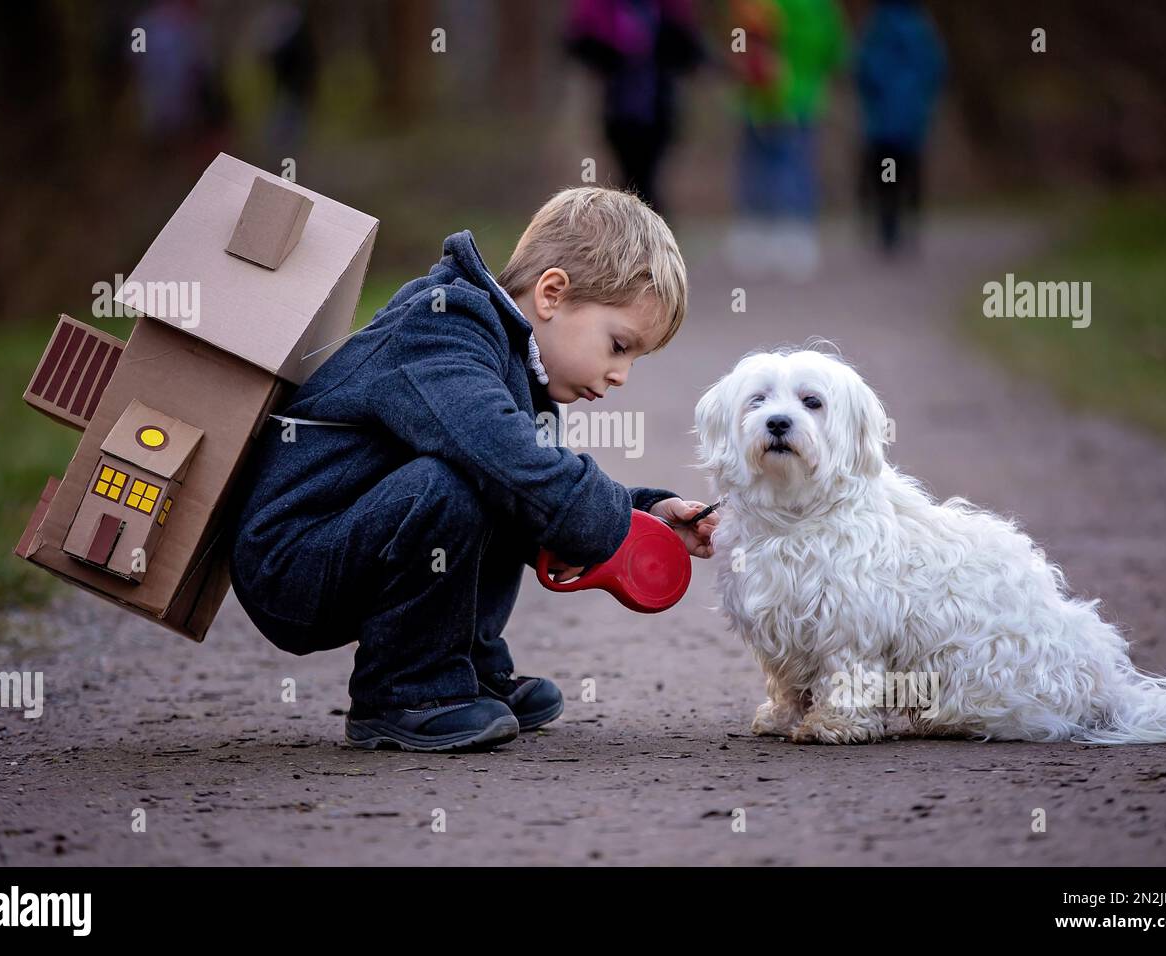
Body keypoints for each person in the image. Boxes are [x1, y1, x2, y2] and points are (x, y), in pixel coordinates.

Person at [227, 187, 719, 753]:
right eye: (618, 346)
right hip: (293, 556)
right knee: (465, 480)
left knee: (505, 487)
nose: (620, 375)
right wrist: (600, 517)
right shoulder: (442, 326)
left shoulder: (518, 372)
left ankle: (467, 668)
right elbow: (504, 457)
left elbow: (538, 492)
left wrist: (644, 515)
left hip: (348, 537)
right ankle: (408, 692)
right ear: (552, 294)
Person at [725, 0, 848, 280]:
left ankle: (754, 232)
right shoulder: (820, 8)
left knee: (758, 164)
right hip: (800, 98)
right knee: (794, 165)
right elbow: (835, 50)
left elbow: (737, 41)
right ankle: (794, 235)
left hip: (760, 97)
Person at [565, 0, 706, 216]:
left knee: (646, 180)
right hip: (619, 111)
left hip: (656, 111)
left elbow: (689, 50)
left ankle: (646, 231)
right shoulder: (608, 10)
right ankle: (632, 230)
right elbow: (577, 42)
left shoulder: (665, 10)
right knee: (630, 179)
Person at [855, 0, 946, 253]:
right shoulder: (920, 27)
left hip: (881, 122)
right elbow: (935, 68)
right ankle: (911, 226)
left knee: (886, 176)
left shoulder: (877, 27)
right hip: (912, 120)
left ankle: (888, 229)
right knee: (910, 174)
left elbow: (863, 68)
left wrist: (871, 100)